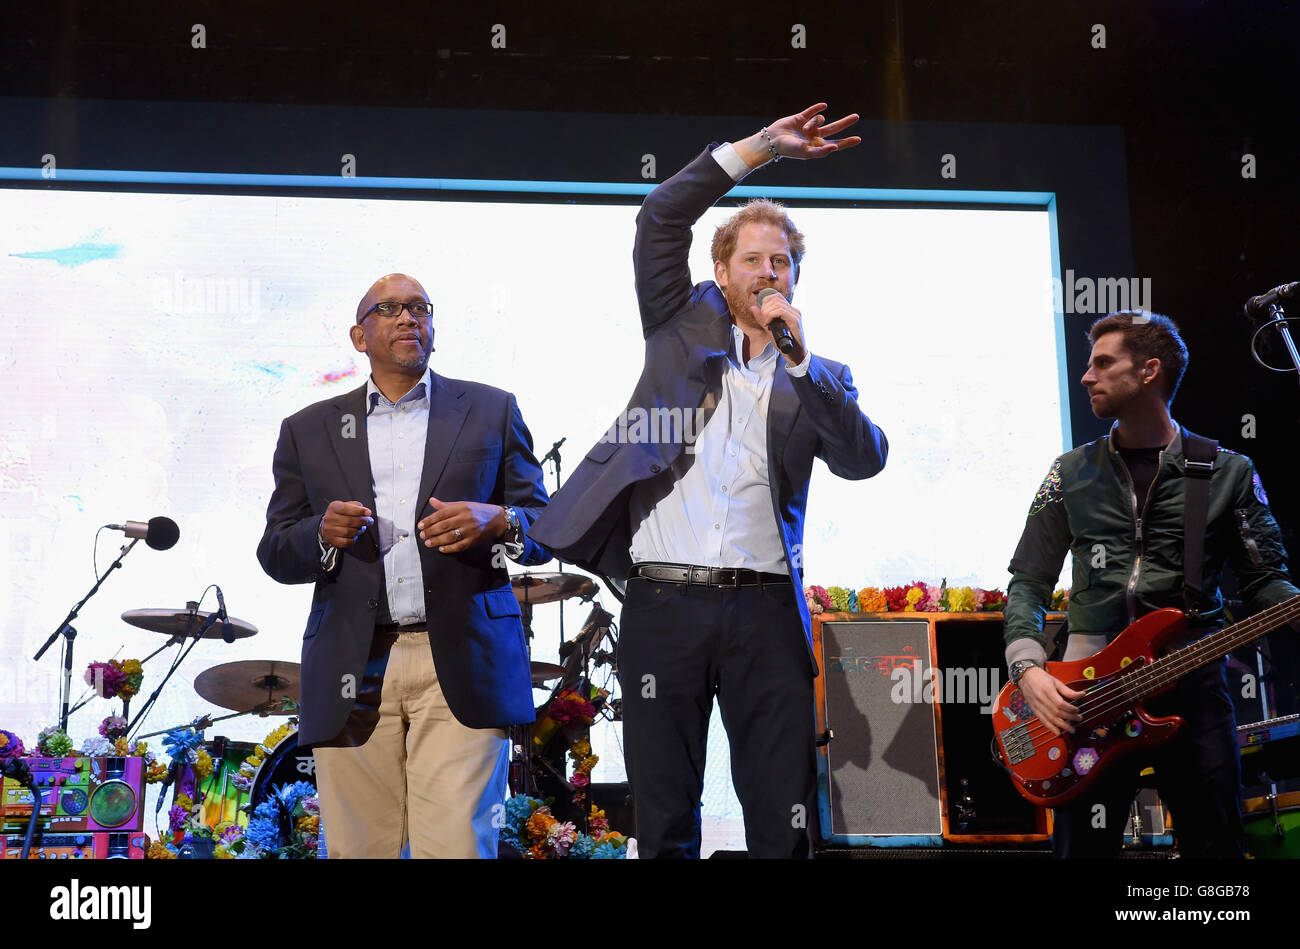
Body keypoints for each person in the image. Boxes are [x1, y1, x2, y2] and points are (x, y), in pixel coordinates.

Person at [528, 104, 889, 858]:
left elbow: (864, 458)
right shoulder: (676, 324)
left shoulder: (819, 374)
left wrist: (799, 363)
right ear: (719, 271)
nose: (768, 272)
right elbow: (661, 215)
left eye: (781, 261)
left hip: (765, 613)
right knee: (662, 815)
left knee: (783, 811)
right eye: (753, 259)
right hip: (665, 604)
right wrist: (761, 151)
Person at [257, 273, 550, 858]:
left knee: (460, 848)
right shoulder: (308, 428)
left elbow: (545, 524)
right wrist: (322, 534)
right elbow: (275, 550)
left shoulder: (491, 410)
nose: (407, 318)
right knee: (358, 849)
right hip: (353, 662)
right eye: (388, 309)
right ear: (358, 336)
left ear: (434, 328)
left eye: (419, 308)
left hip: (462, 660)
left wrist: (501, 522)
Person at [1003, 310, 1299, 857]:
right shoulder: (1067, 473)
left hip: (1194, 690)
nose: (1086, 376)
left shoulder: (1228, 471)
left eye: (1102, 363)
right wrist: (1027, 671)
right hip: (1085, 695)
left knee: (1217, 859)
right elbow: (1027, 583)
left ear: (1148, 371)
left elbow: (1267, 583)